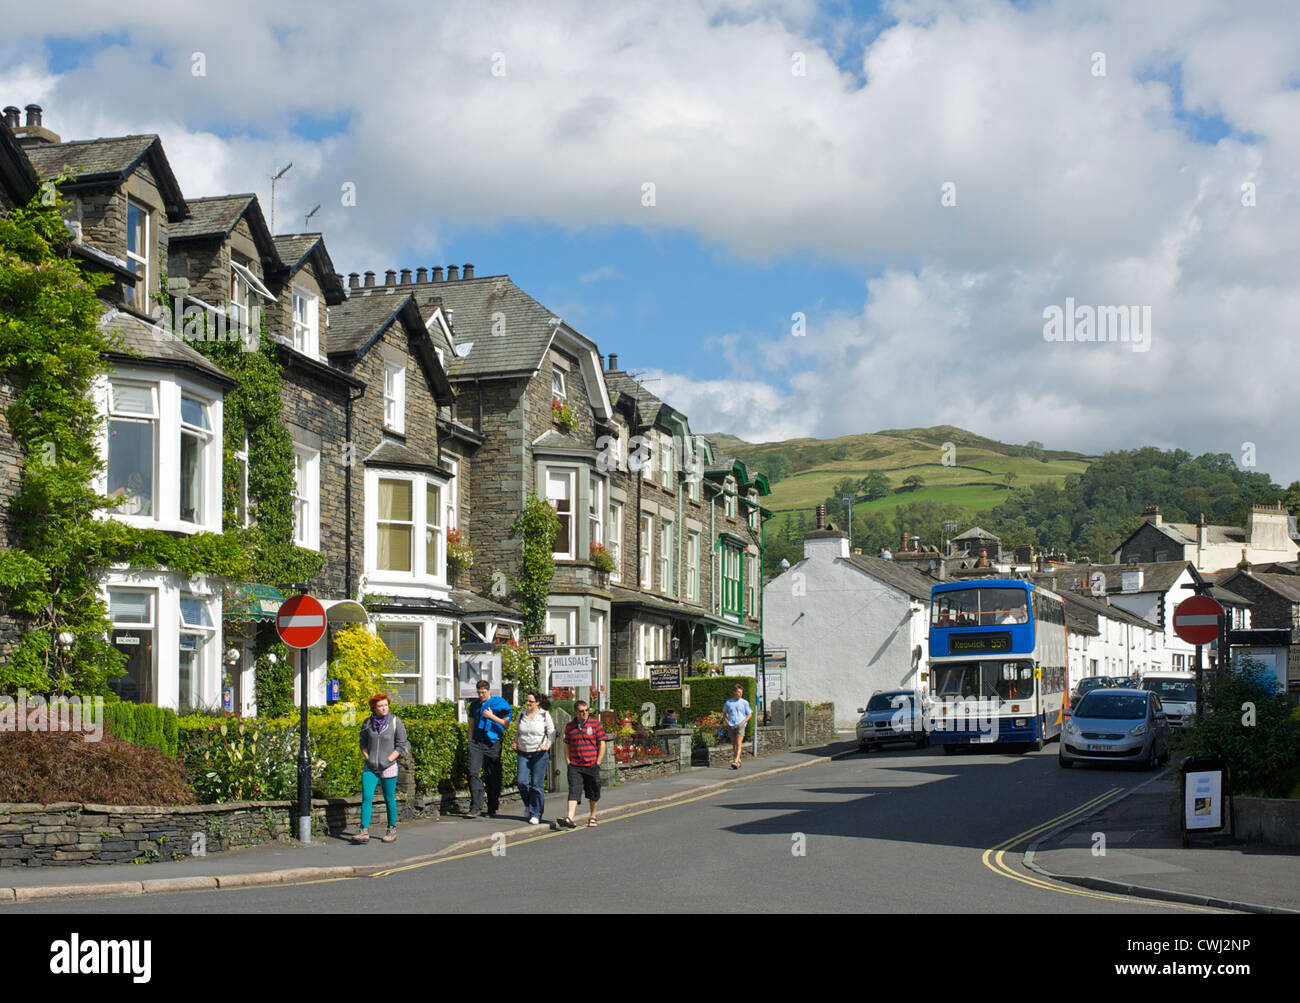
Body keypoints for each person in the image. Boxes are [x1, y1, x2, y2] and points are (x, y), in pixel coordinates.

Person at [354, 693, 407, 844]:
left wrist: (389, 759)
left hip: (388, 766)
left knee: (389, 798)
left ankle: (391, 829)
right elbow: (362, 743)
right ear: (374, 708)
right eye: (380, 706)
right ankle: (364, 830)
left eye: (385, 705)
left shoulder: (395, 722)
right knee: (367, 797)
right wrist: (367, 757)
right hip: (370, 766)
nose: (384, 708)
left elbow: (401, 744)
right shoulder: (367, 723)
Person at [466, 679, 512, 818]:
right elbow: (472, 724)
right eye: (479, 693)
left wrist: (490, 716)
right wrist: (469, 741)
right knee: (472, 771)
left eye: (484, 692)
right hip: (476, 742)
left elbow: (506, 724)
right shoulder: (474, 705)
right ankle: (476, 806)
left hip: (493, 743)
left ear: (489, 691)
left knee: (492, 775)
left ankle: (492, 805)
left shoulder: (498, 704)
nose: (481, 695)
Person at [558, 699, 606, 829]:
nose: (584, 713)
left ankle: (593, 816)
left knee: (593, 792)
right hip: (575, 766)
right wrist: (568, 762)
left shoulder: (595, 725)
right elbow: (566, 744)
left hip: (591, 765)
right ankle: (570, 817)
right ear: (575, 712)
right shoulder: (570, 726)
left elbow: (602, 744)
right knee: (574, 790)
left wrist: (598, 762)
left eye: (586, 710)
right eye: (581, 711)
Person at [513, 690, 555, 824]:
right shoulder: (521, 714)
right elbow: (518, 732)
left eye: (531, 701)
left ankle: (536, 813)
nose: (528, 703)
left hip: (539, 753)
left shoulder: (544, 715)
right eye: (526, 701)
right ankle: (529, 805)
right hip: (523, 752)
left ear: (537, 703)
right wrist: (515, 742)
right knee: (521, 781)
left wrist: (547, 745)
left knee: (537, 785)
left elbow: (551, 733)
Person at [722, 684, 753, 770]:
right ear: (734, 692)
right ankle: (738, 760)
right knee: (734, 744)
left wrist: (744, 722)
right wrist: (727, 722)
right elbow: (724, 713)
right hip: (731, 724)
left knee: (739, 743)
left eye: (741, 692)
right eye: (738, 692)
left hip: (740, 725)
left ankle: (735, 760)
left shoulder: (744, 702)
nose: (740, 694)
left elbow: (750, 714)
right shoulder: (728, 702)